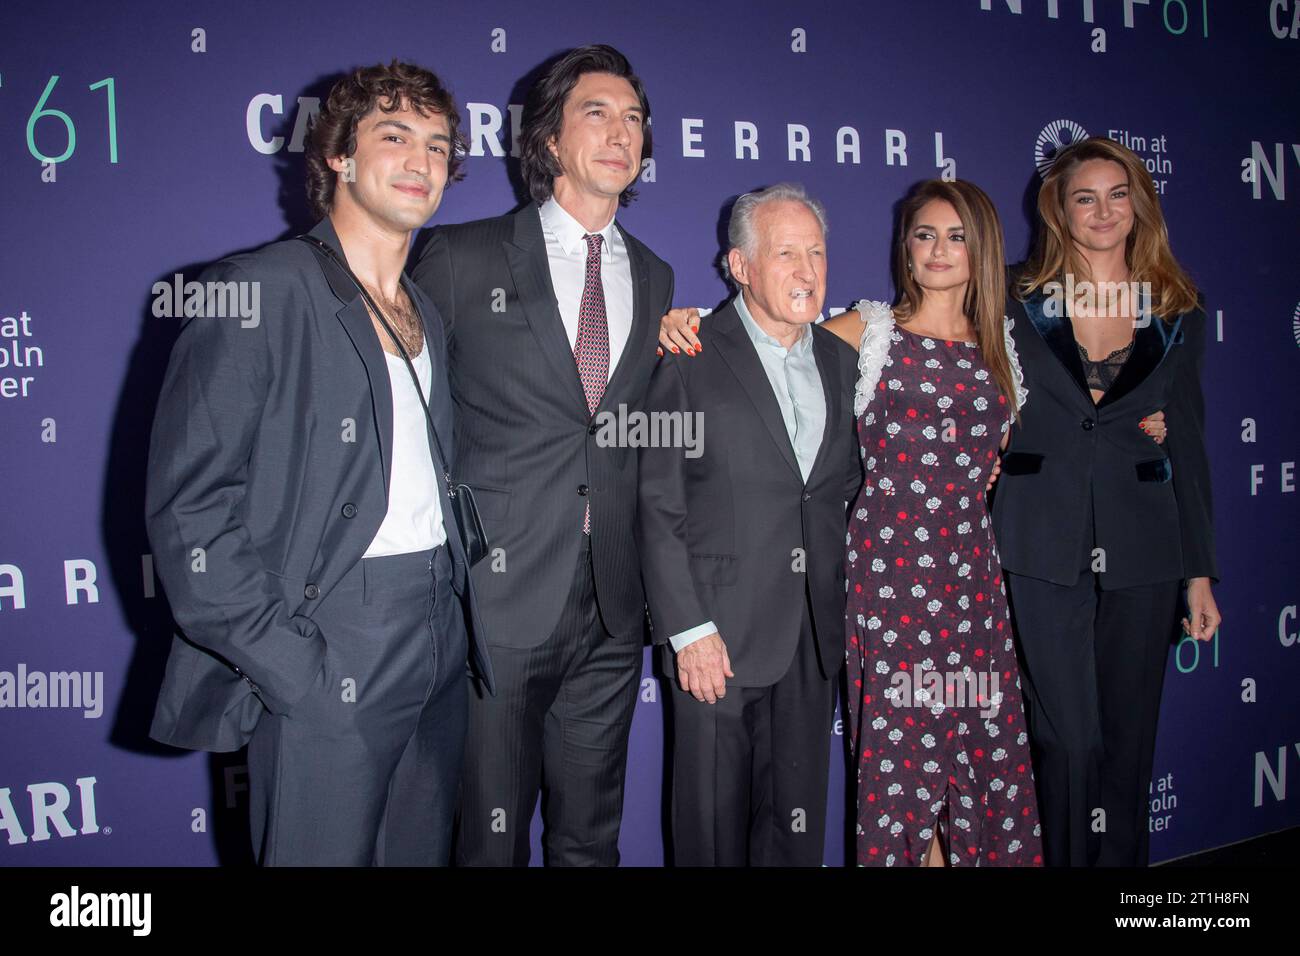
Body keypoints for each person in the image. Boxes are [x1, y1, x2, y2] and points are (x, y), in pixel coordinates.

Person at [147, 61, 493, 865]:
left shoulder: (426, 313)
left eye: (439, 146)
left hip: (438, 628)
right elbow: (188, 509)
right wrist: (291, 665)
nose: (421, 161)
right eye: (394, 135)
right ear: (337, 154)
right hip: (332, 635)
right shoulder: (257, 290)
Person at [409, 45, 674, 866]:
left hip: (612, 606)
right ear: (549, 141)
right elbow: (414, 419)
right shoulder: (463, 257)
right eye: (595, 112)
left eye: (632, 118)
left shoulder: (658, 278)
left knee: (591, 840)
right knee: (486, 841)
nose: (619, 131)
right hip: (497, 603)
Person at [994, 136, 1221, 867]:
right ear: (1058, 209)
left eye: (1116, 194)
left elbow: (1186, 442)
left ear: (1139, 205)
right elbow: (908, 334)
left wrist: (1198, 573)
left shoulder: (1177, 308)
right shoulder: (1011, 296)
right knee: (1063, 741)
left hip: (1144, 551)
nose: (1102, 210)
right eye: (1083, 196)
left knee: (1128, 749)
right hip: (1037, 544)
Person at [637, 183, 861, 866]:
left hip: (813, 637)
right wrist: (689, 629)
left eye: (816, 252)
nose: (807, 270)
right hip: (717, 639)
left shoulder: (843, 361)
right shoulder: (688, 354)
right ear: (739, 266)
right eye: (785, 252)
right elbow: (657, 499)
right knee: (709, 832)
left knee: (795, 832)